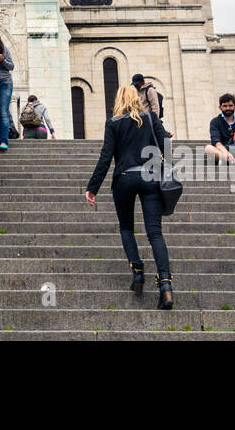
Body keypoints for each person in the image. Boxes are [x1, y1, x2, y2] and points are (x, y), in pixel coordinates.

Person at [86, 84, 175, 308]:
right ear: (137, 99)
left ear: (118, 102)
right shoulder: (150, 118)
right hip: (150, 177)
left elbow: (105, 157)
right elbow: (166, 141)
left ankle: (137, 271)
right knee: (155, 232)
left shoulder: (113, 123)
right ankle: (165, 285)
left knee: (126, 227)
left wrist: (92, 187)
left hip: (124, 178)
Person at [204, 93, 235, 165]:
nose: (228, 108)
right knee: (208, 148)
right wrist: (225, 152)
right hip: (224, 152)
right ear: (220, 108)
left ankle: (230, 162)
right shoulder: (215, 122)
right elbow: (216, 141)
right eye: (225, 106)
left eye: (230, 106)